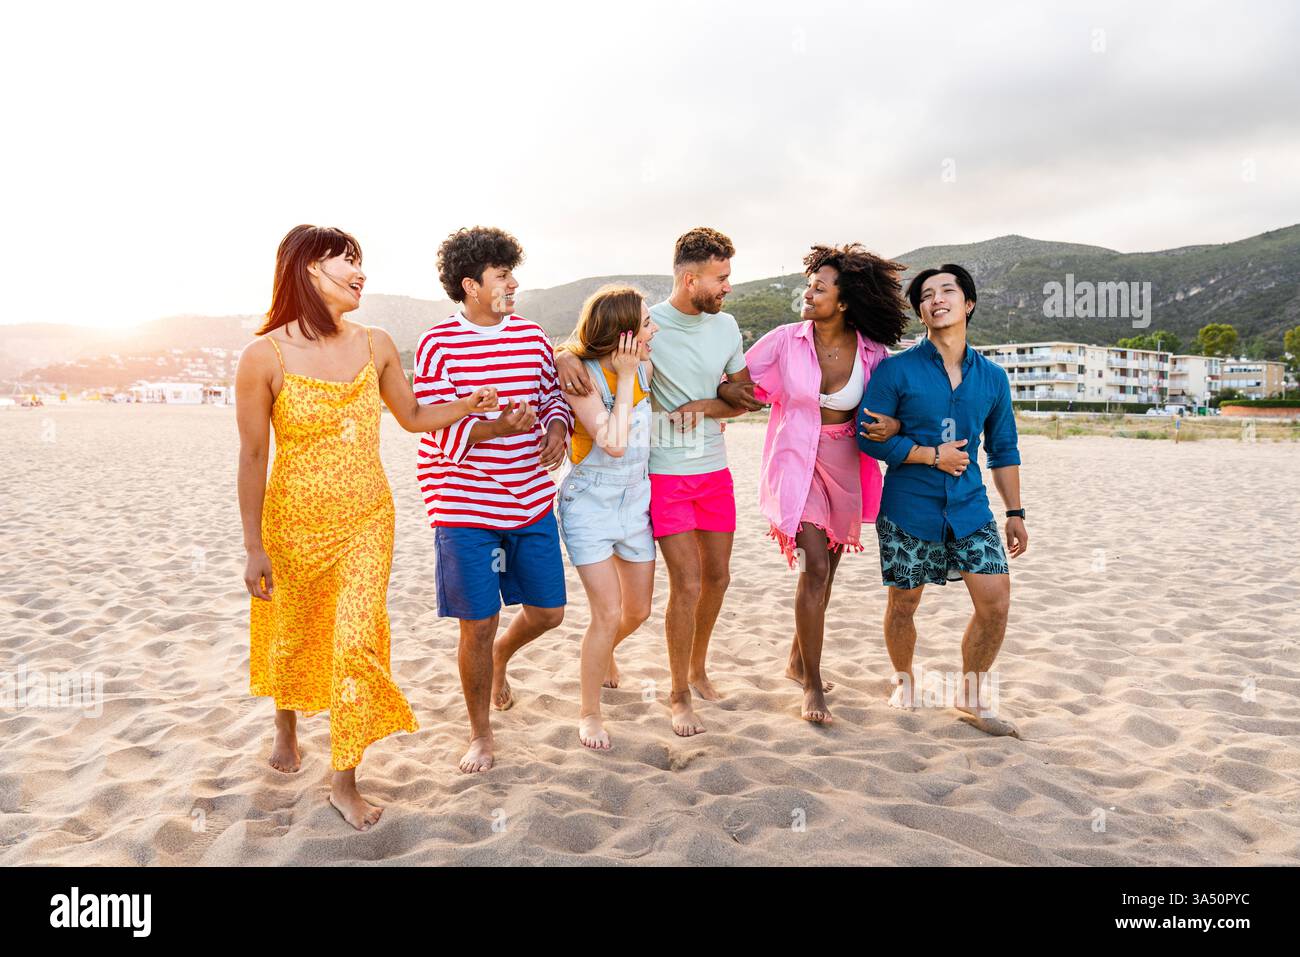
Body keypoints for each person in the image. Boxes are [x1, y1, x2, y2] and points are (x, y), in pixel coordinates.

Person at [236, 224, 497, 830]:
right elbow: (253, 457)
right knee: (295, 629)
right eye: (345, 262)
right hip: (292, 522)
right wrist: (254, 546)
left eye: (361, 262)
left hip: (366, 519)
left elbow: (409, 417)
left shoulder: (377, 343)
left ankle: (343, 778)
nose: (360, 273)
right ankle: (286, 722)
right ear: (307, 271)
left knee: (355, 642)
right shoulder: (262, 357)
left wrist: (468, 404)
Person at [557, 227, 747, 737]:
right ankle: (674, 694)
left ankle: (691, 669)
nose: (728, 286)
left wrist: (707, 405)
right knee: (680, 585)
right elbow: (581, 349)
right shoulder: (643, 336)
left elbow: (746, 396)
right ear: (690, 279)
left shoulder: (724, 327)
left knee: (714, 579)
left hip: (709, 469)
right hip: (657, 475)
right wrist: (564, 356)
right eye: (721, 277)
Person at [717, 244, 907, 724]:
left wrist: (896, 429)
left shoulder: (873, 352)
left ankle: (797, 659)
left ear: (845, 301)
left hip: (848, 463)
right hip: (795, 461)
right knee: (815, 566)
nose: (808, 293)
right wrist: (727, 396)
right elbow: (736, 379)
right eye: (809, 285)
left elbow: (895, 410)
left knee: (831, 570)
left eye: (820, 287)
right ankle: (813, 685)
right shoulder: (784, 340)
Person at [413, 226, 572, 773]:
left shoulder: (532, 337)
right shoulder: (438, 345)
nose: (513, 284)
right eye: (502, 276)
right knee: (476, 622)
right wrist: (497, 427)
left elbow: (553, 397)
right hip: (461, 501)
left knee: (549, 611)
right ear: (471, 285)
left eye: (512, 273)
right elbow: (432, 424)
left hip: (529, 495)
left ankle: (504, 654)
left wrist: (553, 428)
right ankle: (480, 734)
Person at [856, 264, 1028, 738]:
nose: (936, 299)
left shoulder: (992, 378)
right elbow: (866, 438)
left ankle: (971, 694)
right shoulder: (897, 370)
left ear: (968, 303)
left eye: (947, 290)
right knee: (904, 604)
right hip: (910, 508)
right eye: (926, 295)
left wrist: (1014, 511)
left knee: (995, 602)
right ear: (920, 312)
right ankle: (905, 681)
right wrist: (928, 455)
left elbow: (1004, 448)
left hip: (971, 508)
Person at [556, 285, 659, 750]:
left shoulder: (648, 366)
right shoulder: (581, 380)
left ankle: (603, 655)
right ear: (624, 336)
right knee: (607, 612)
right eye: (645, 323)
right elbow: (613, 443)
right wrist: (620, 378)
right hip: (590, 506)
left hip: (635, 502)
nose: (653, 329)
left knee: (637, 610)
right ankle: (589, 713)